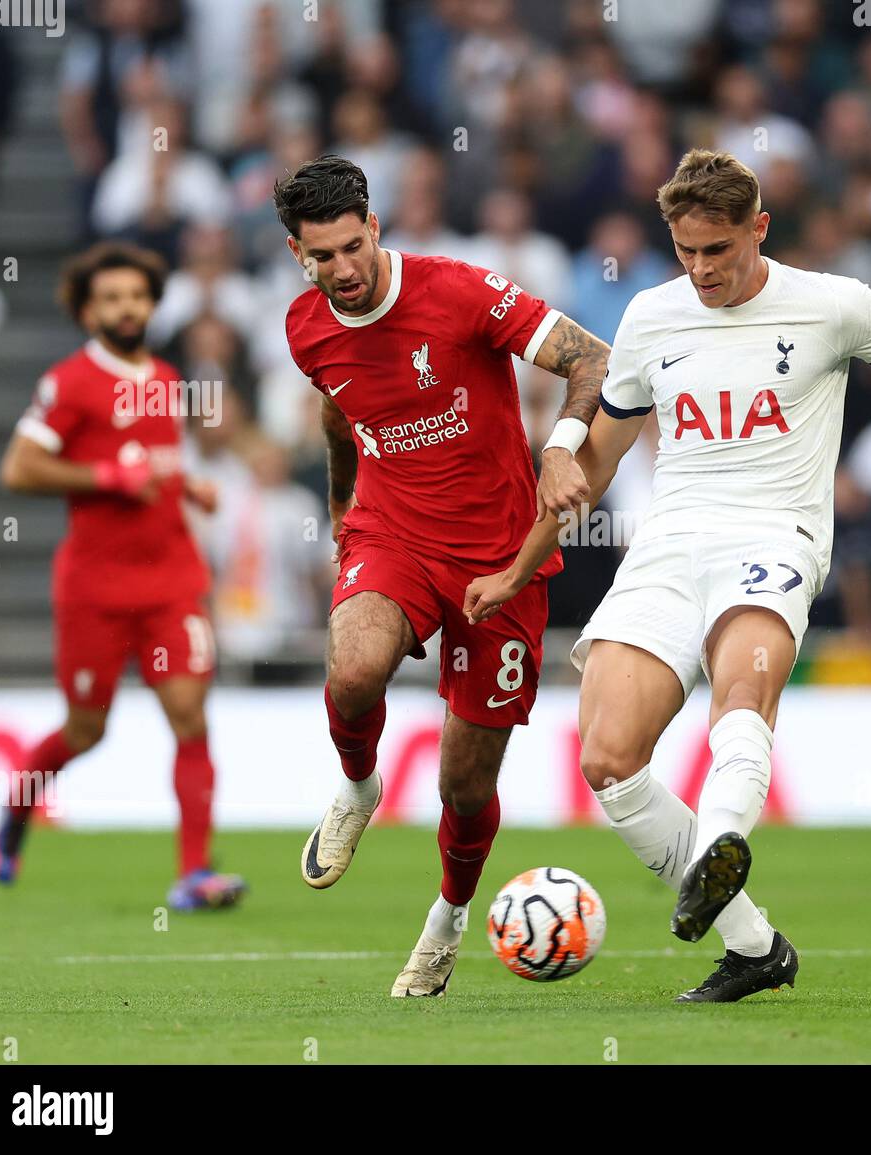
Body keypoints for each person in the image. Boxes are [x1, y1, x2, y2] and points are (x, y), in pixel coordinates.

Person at [465, 149, 871, 1003]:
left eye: (717, 249)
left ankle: (722, 839)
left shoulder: (831, 304)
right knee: (608, 756)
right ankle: (754, 944)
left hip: (776, 537)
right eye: (686, 251)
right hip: (670, 543)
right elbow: (599, 460)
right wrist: (517, 566)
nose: (702, 269)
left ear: (758, 228)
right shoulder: (651, 317)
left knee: (739, 693)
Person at [275, 156, 609, 997]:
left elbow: (594, 360)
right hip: (392, 535)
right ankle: (358, 786)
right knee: (353, 672)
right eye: (323, 258)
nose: (343, 270)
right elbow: (338, 406)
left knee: (464, 783)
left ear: (375, 228)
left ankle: (449, 919)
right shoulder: (305, 327)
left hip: (501, 556)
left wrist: (560, 449)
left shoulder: (459, 292)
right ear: (297, 255)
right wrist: (343, 505)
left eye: (353, 247)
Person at [0, 242, 245, 911]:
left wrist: (190, 486)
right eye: (110, 298)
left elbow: (152, 460)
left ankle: (193, 873)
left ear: (153, 302)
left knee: (190, 717)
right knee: (85, 729)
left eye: (136, 295)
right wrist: (108, 478)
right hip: (95, 590)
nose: (126, 307)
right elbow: (18, 469)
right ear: (85, 310)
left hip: (170, 581)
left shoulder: (164, 375)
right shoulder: (69, 382)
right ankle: (17, 807)